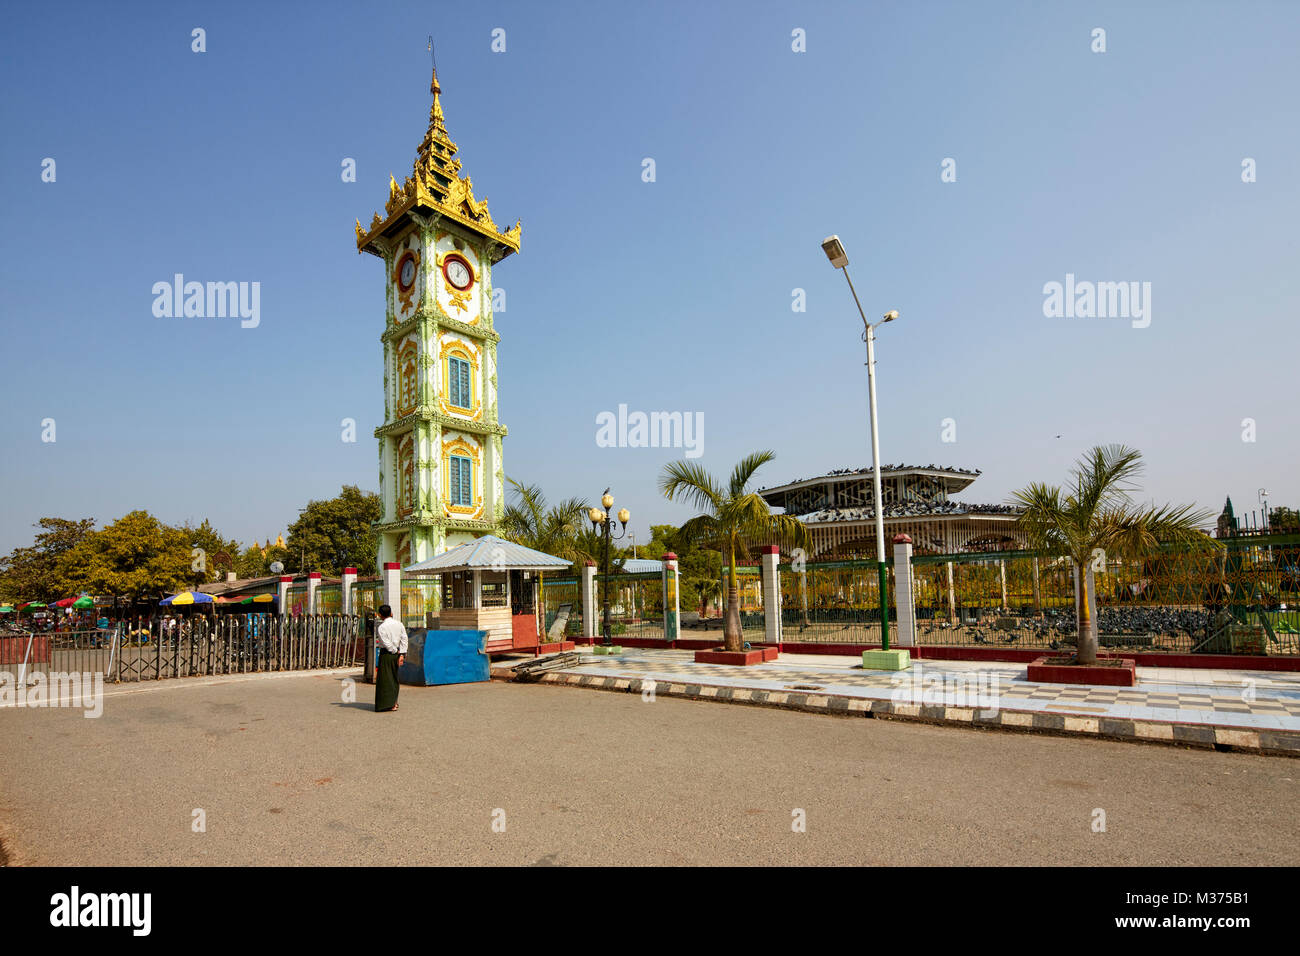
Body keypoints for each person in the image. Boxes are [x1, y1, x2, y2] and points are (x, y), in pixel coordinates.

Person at [374, 604, 407, 713]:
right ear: (391, 613)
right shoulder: (399, 624)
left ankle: (387, 704)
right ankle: (394, 702)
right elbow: (404, 639)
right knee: (394, 678)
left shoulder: (382, 627)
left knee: (385, 680)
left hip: (387, 654)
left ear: (380, 615)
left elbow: (386, 643)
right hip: (397, 653)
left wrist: (394, 651)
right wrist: (401, 654)